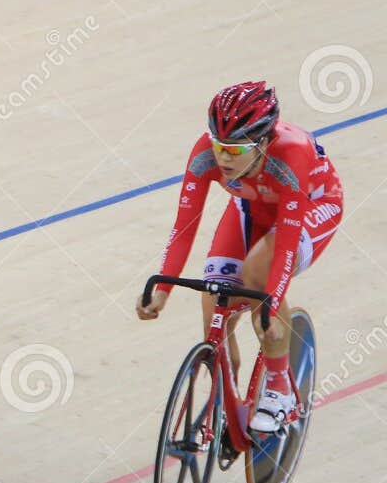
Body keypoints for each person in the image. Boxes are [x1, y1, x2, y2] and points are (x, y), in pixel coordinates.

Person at [137, 81, 343, 432]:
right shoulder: (205, 154)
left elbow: (287, 242)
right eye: (219, 146)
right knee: (213, 296)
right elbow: (184, 226)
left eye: (235, 150)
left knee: (256, 276)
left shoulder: (292, 154)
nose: (222, 157)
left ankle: (280, 388)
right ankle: (225, 397)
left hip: (311, 208)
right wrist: (162, 291)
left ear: (263, 142)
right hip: (252, 207)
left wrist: (270, 306)